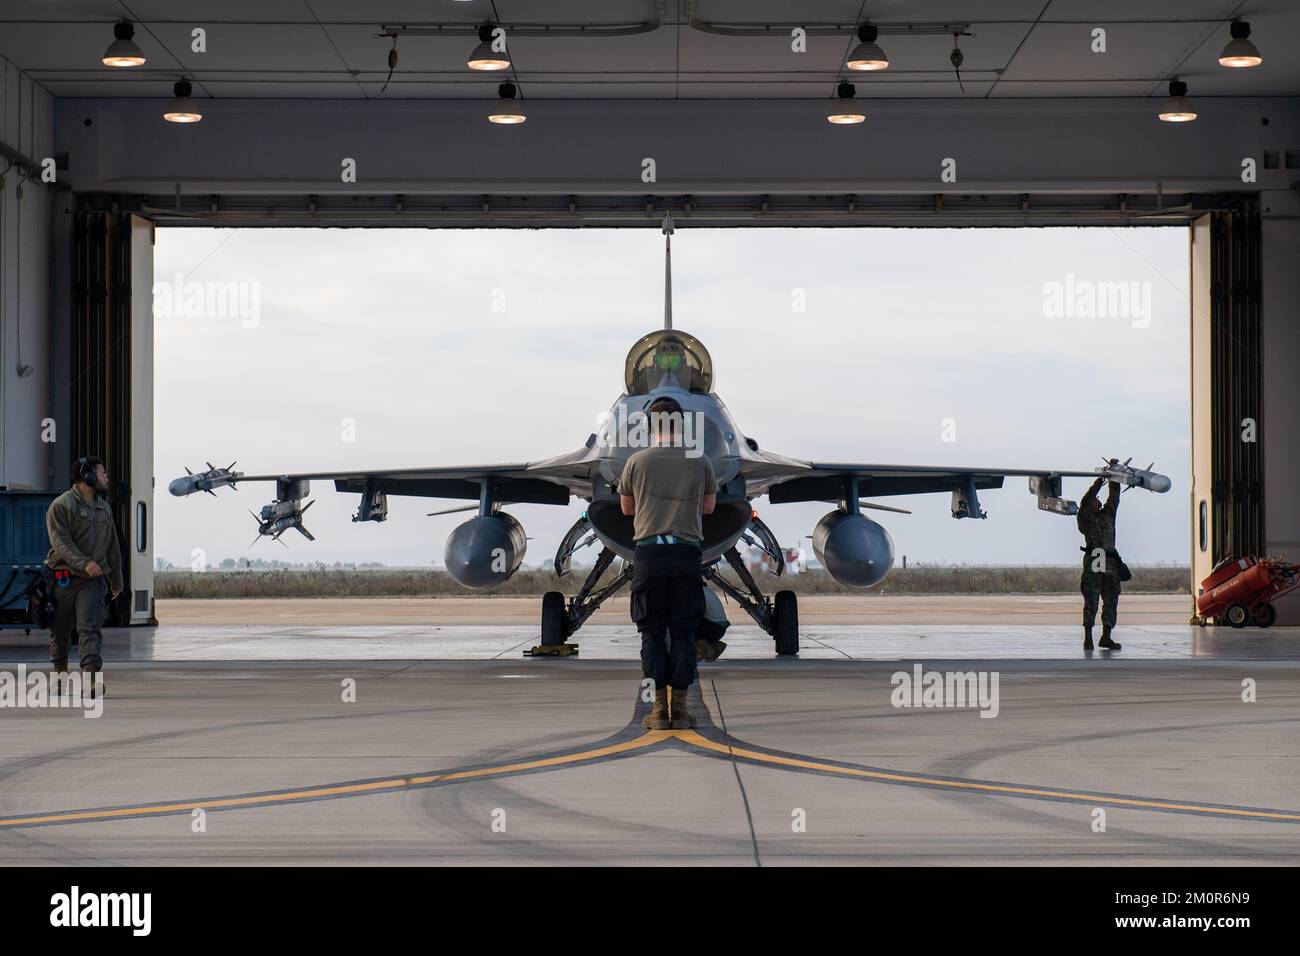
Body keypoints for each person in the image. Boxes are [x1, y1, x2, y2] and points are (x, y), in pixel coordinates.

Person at [620, 397, 716, 729]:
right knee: (684, 633)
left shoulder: (636, 462)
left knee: (652, 634)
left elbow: (627, 510)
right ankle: (681, 710)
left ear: (648, 427)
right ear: (682, 426)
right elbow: (708, 509)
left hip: (649, 555)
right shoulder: (700, 461)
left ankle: (659, 710)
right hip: (686, 554)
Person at [44, 456, 123, 690]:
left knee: (90, 628)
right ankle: (59, 675)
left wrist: (116, 580)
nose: (106, 477)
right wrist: (83, 562)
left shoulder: (103, 508)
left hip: (92, 581)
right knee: (60, 632)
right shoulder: (61, 506)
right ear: (86, 477)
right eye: (101, 473)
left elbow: (112, 546)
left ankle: (90, 680)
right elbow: (61, 543)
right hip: (63, 579)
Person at [1077, 459, 1122, 651]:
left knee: (1111, 598)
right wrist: (1099, 481)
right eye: (1096, 500)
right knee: (1092, 598)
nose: (1099, 501)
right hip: (1095, 557)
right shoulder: (1085, 518)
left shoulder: (1108, 514)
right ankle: (1088, 637)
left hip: (1110, 560)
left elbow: (1114, 496)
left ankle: (1106, 636)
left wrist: (1114, 475)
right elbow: (1087, 499)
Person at [695, 586, 730, 662]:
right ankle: (716, 646)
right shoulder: (700, 588)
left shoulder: (694, 592)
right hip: (719, 627)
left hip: (713, 627)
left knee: (685, 625)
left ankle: (705, 649)